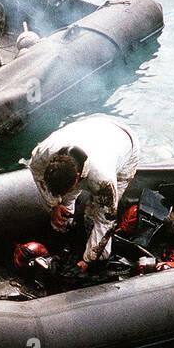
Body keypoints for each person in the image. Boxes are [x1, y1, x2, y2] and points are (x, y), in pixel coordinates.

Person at [28, 115, 141, 271]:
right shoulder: (44, 153)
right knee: (64, 204)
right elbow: (37, 172)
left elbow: (105, 221)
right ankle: (65, 235)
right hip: (91, 127)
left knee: (93, 216)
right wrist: (54, 204)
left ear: (77, 178)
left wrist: (88, 260)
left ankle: (99, 259)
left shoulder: (103, 180)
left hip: (124, 143)